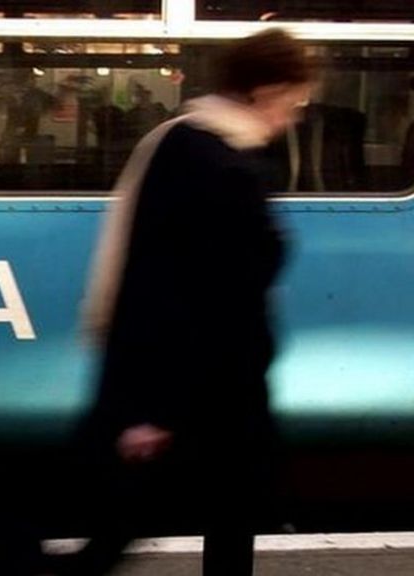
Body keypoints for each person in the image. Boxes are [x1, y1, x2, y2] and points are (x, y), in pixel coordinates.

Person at [70, 29, 315, 576]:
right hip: (203, 392)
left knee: (159, 524)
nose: (293, 118)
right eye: (294, 102)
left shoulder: (179, 140)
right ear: (266, 90)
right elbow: (188, 293)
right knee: (165, 524)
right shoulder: (220, 166)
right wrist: (154, 408)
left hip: (193, 388)